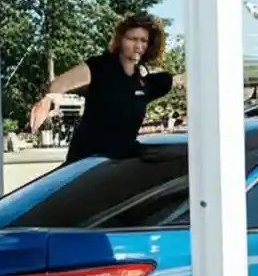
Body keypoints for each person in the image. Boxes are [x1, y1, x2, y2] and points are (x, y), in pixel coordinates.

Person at [29, 13, 175, 164]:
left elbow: (167, 81)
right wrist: (49, 99)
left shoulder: (141, 82)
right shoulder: (99, 67)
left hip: (121, 161)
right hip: (88, 162)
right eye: (132, 39)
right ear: (120, 39)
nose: (138, 46)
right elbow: (59, 84)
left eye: (144, 41)